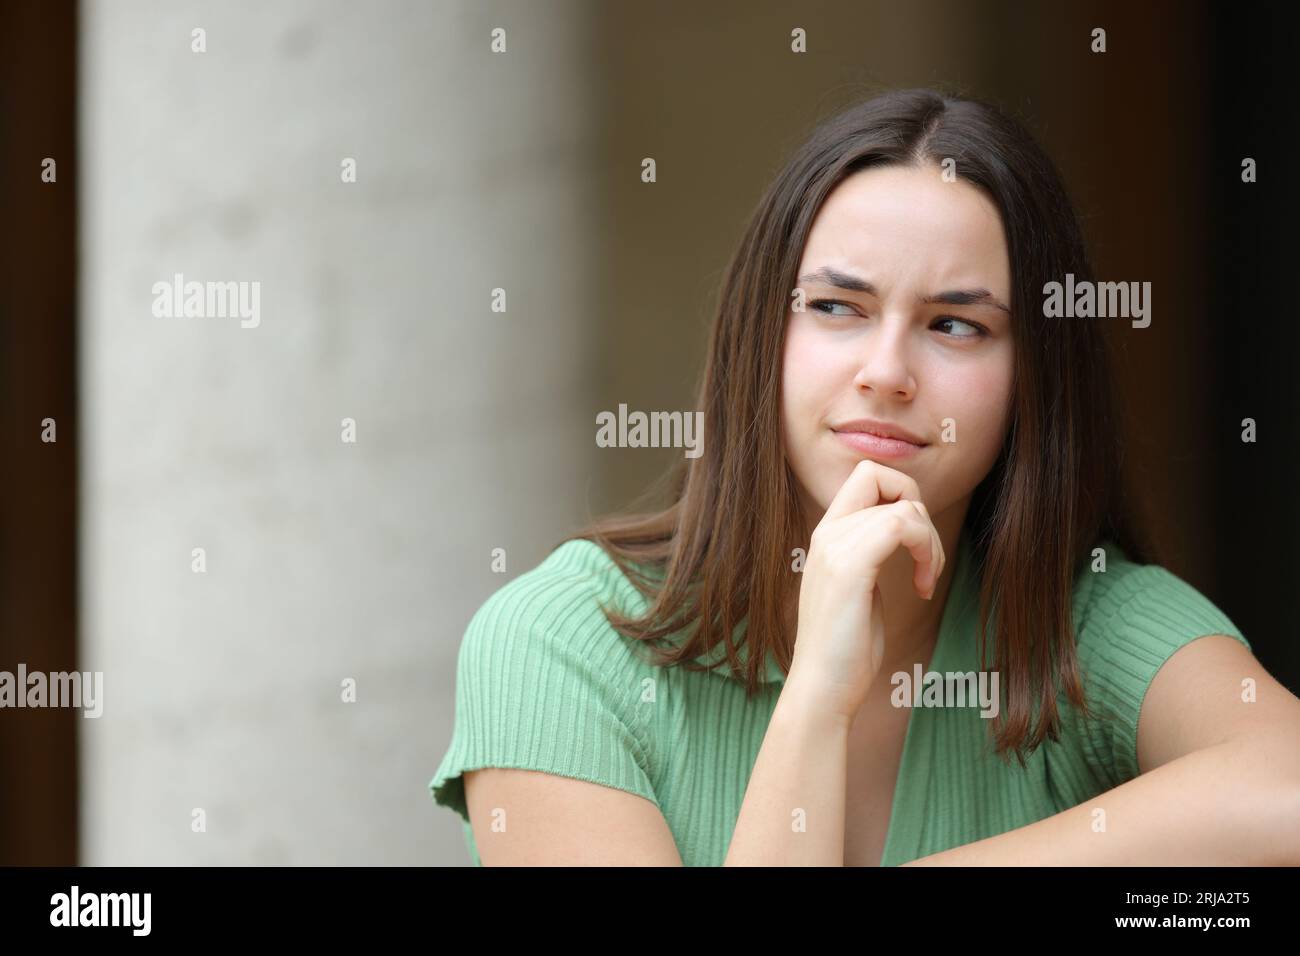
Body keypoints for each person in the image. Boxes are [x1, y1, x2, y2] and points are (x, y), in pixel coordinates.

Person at [429, 88, 1300, 866]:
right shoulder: (560, 646)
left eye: (957, 324)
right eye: (838, 308)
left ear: (1037, 379)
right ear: (758, 335)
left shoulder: (1083, 621)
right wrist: (816, 700)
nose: (887, 371)